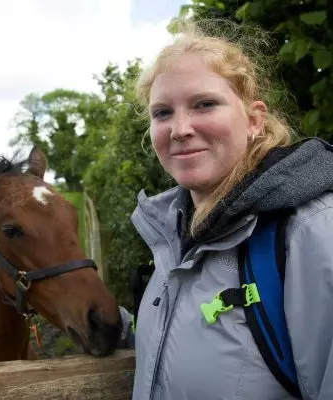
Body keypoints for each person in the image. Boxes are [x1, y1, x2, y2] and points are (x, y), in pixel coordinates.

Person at [119, 19, 333, 400]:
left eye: (205, 104)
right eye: (162, 113)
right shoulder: (171, 236)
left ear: (254, 120)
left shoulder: (311, 231)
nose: (180, 128)